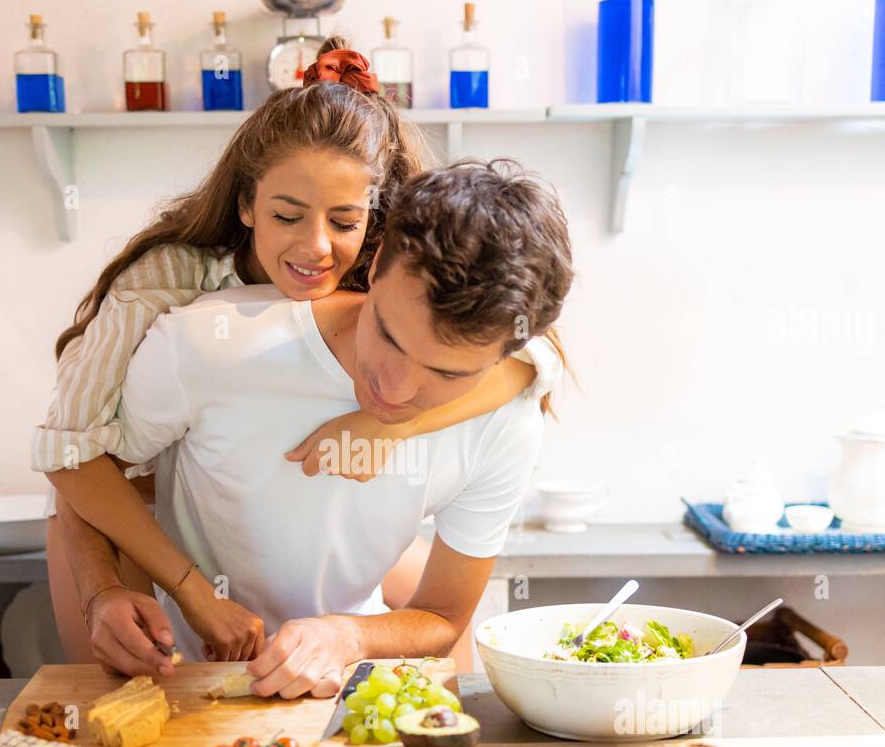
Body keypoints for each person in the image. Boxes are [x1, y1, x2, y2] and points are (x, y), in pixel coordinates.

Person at [33, 42, 564, 679]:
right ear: (248, 203)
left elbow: (534, 363)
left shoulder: (459, 333)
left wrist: (385, 424)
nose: (315, 245)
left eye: (447, 372)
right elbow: (74, 456)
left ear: (371, 228)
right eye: (389, 338)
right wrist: (142, 591)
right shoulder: (183, 307)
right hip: (128, 504)